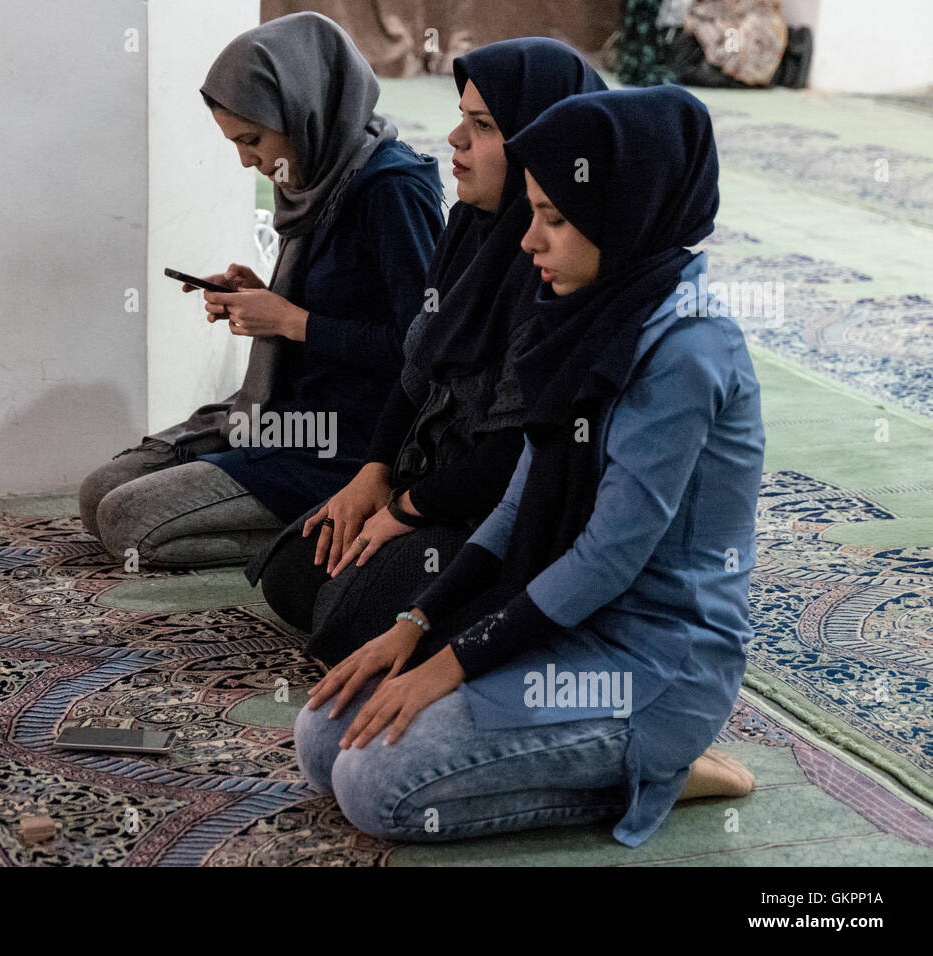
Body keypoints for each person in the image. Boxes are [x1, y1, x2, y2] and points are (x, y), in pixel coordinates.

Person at [293, 85, 765, 848]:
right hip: (558, 623)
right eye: (532, 213)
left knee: (375, 788)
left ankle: (654, 763)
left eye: (554, 219)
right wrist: (416, 624)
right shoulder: (580, 314)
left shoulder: (687, 350)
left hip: (651, 663)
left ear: (623, 214)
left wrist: (451, 664)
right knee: (322, 736)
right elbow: (515, 509)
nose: (527, 242)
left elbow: (607, 557)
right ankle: (611, 757)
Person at [246, 39, 606, 665]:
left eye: (483, 126)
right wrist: (374, 472)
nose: (455, 139)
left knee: (345, 616)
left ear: (541, 141)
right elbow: (416, 370)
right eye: (462, 118)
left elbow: (512, 453)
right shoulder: (468, 226)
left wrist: (406, 510)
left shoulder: (557, 263)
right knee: (292, 577)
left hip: (494, 510)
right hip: (429, 473)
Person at [79, 12, 444, 569]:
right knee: (98, 492)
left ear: (302, 112)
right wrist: (263, 296)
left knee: (127, 521)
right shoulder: (316, 173)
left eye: (251, 140)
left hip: (348, 440)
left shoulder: (390, 190)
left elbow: (425, 350)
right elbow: (341, 296)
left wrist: (292, 323)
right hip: (289, 410)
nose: (246, 160)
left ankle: (344, 527)